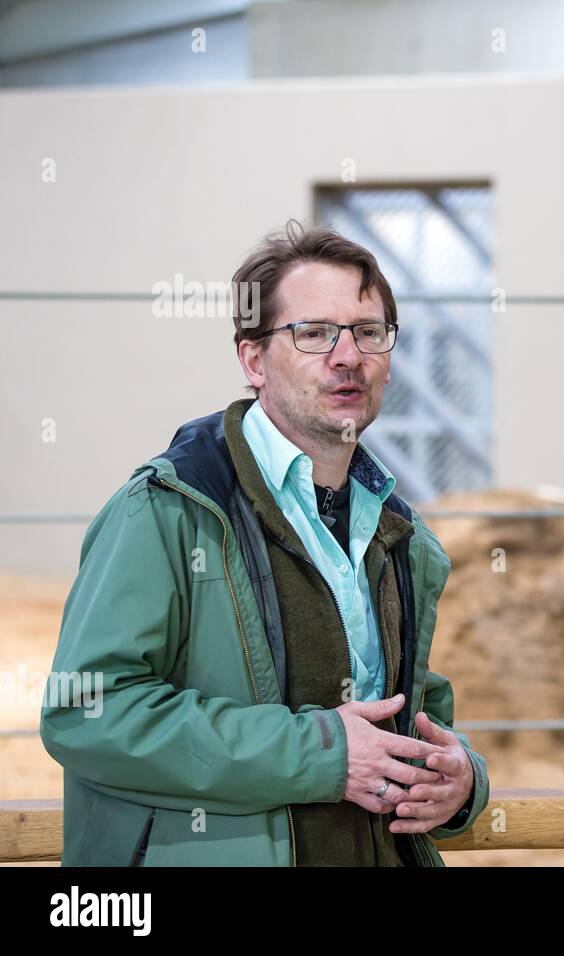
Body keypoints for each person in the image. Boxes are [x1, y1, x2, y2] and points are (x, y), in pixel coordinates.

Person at [41, 221, 488, 866]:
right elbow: (86, 708)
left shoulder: (403, 540)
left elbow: (415, 710)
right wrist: (318, 753)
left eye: (368, 332)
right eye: (312, 333)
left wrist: (462, 780)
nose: (347, 356)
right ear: (252, 359)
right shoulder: (168, 511)